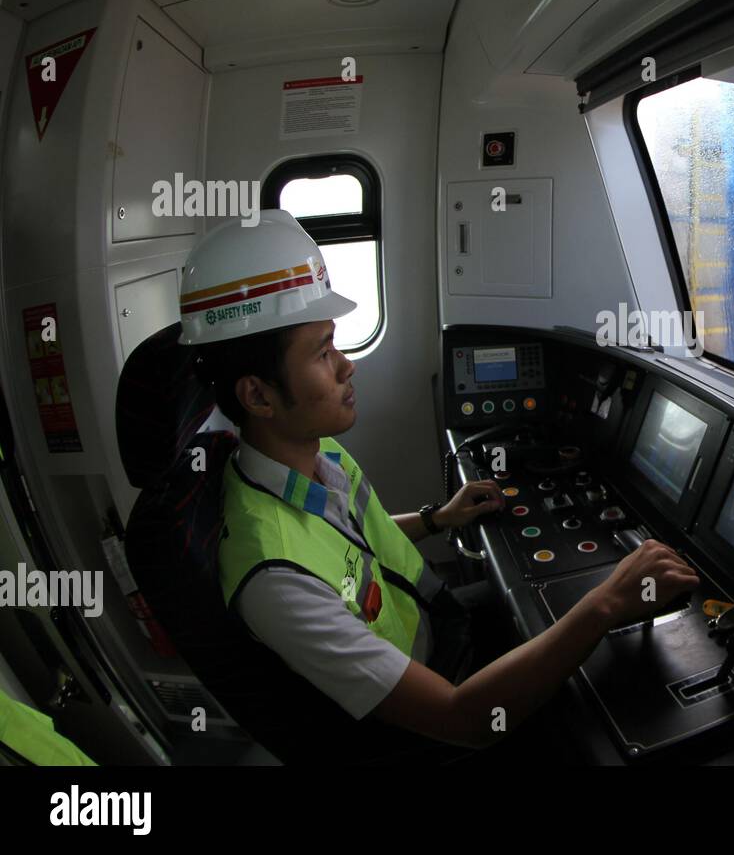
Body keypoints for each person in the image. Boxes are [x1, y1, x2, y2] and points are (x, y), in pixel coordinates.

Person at [181, 210, 698, 760]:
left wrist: (437, 519)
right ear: (258, 396)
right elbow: (465, 720)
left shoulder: (311, 454)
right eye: (323, 352)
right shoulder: (274, 579)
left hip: (439, 625)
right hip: (432, 716)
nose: (347, 366)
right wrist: (607, 603)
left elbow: (353, 540)